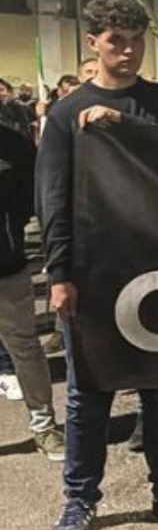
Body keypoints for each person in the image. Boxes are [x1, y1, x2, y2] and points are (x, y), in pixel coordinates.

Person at [37, 0, 158, 530]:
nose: (129, 50)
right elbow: (54, 197)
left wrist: (127, 130)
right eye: (116, 41)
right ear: (93, 43)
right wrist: (60, 274)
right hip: (94, 272)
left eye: (136, 40)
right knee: (90, 394)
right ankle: (79, 501)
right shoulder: (66, 114)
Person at [0, 124, 62, 462]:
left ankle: (44, 426)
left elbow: (37, 201)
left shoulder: (14, 146)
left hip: (7, 269)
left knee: (25, 349)